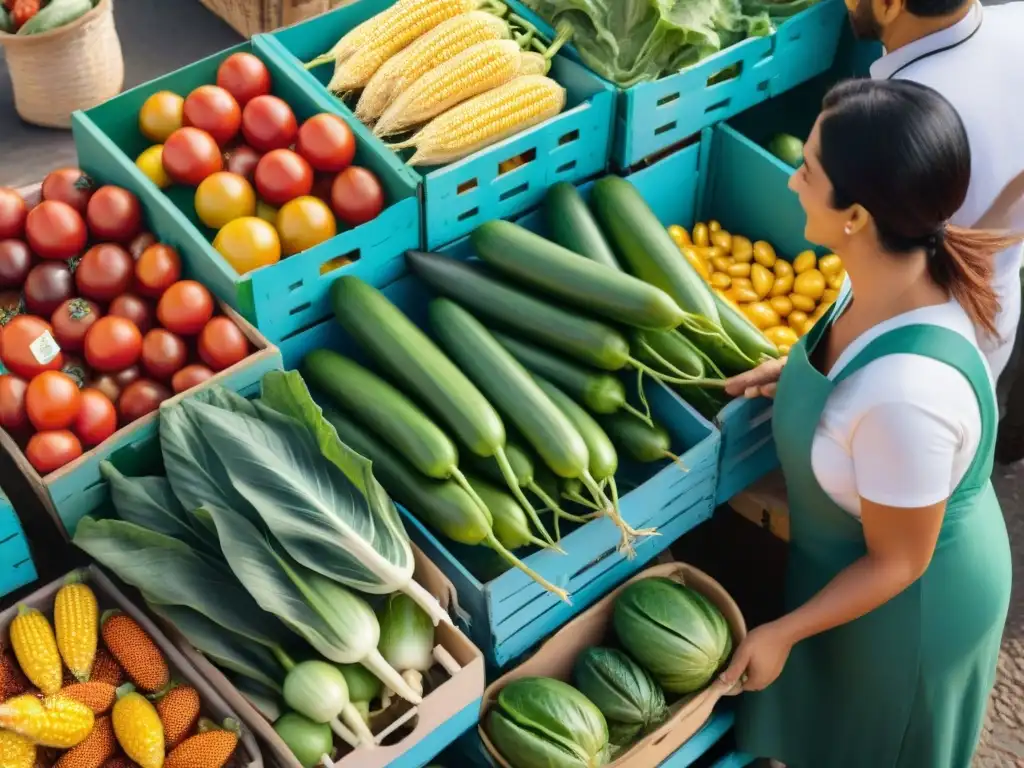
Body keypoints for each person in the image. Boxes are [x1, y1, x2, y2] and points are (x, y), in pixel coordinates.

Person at [718, 79, 1014, 768]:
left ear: (855, 215)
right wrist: (793, 374)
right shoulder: (888, 277)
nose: (791, 181)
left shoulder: (907, 397)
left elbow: (902, 561)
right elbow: (852, 374)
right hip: (859, 561)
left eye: (807, 170)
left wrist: (783, 632)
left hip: (911, 614)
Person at [847, 0, 1024, 379]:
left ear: (890, 5)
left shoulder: (900, 124)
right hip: (994, 313)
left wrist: (825, 356)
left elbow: (892, 281)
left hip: (914, 345)